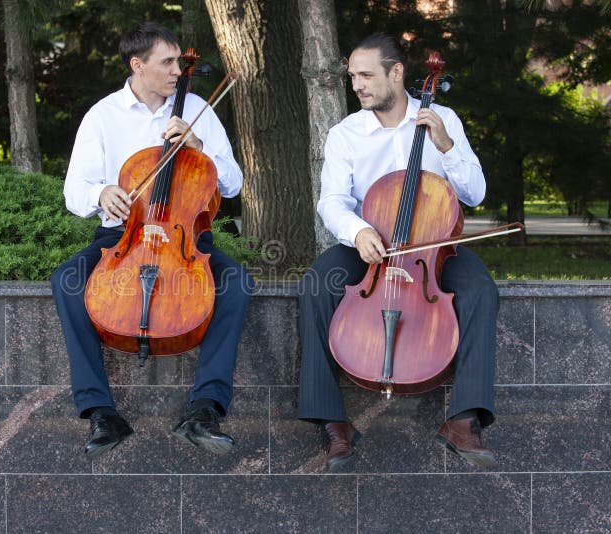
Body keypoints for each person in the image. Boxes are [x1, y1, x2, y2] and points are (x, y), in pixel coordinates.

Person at [298, 33, 499, 472]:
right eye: (353, 76)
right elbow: (332, 201)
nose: (357, 85)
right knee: (317, 282)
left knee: (480, 290)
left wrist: (446, 146)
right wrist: (358, 231)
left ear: (396, 73)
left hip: (434, 247)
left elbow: (475, 194)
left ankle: (464, 420)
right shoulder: (346, 133)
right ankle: (332, 422)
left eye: (366, 75)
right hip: (370, 245)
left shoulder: (443, 119)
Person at [51, 22, 251, 460]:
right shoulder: (103, 116)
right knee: (66, 279)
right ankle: (100, 410)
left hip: (186, 238)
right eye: (167, 62)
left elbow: (233, 183)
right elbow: (74, 190)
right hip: (123, 235)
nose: (178, 70)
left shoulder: (197, 110)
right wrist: (101, 194)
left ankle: (206, 408)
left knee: (237, 281)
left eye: (179, 62)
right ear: (138, 65)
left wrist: (199, 147)